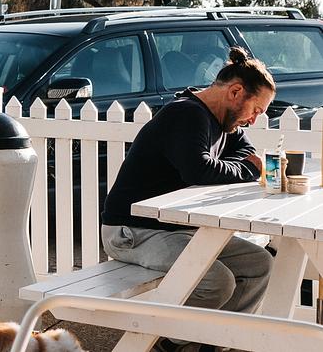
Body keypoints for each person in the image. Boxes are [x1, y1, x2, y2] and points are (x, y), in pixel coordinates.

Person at [101, 47, 274, 349]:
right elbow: (201, 169)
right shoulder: (187, 114)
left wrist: (243, 165)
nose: (254, 120)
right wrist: (246, 169)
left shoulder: (224, 122)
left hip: (175, 230)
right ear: (236, 92)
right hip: (133, 231)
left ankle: (213, 344)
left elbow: (247, 156)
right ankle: (168, 342)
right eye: (256, 110)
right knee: (217, 281)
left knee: (258, 263)